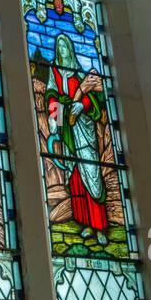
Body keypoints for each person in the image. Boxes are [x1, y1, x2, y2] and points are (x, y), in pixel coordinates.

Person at [46, 33, 108, 243]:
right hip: (67, 129)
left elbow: (92, 100)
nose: (61, 51)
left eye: (65, 48)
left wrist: (82, 105)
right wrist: (55, 117)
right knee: (76, 176)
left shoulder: (79, 73)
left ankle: (100, 226)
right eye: (59, 48)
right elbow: (52, 95)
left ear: (70, 51)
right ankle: (86, 223)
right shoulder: (54, 71)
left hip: (83, 127)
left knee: (91, 171)